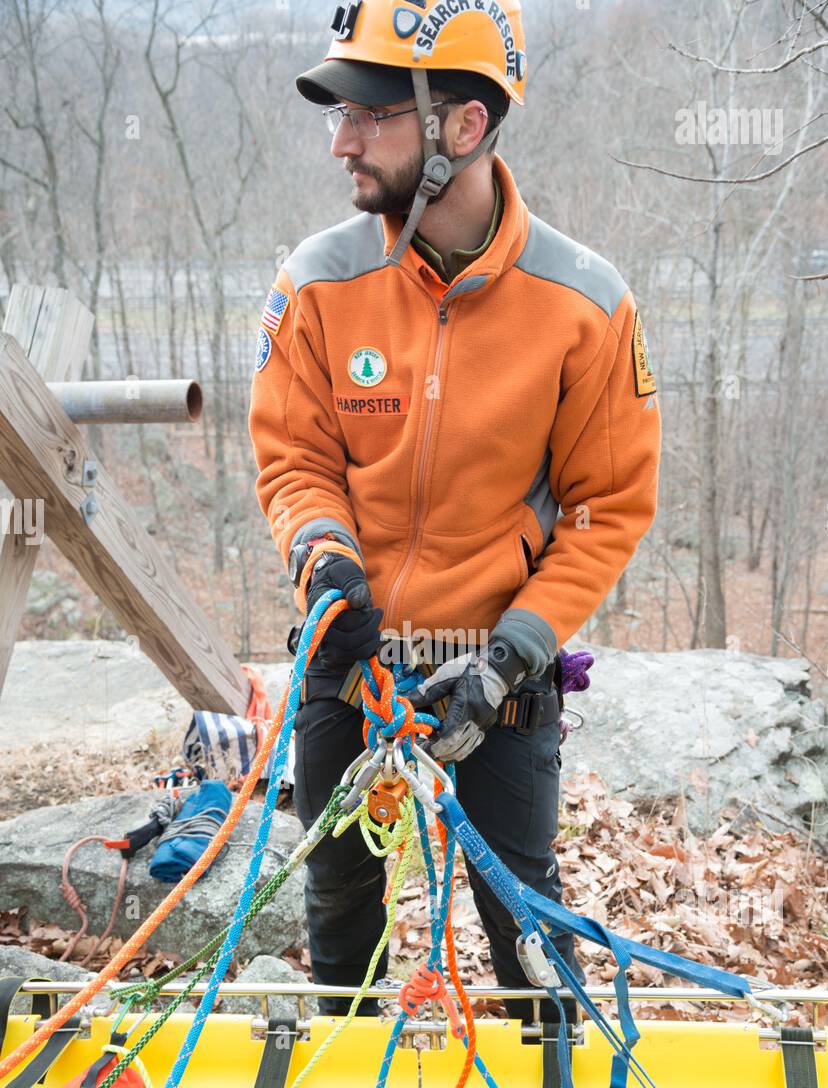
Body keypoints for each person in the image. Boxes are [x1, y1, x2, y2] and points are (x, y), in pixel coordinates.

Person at [249, 0, 660, 1024]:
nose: (341, 138)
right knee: (341, 911)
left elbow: (608, 509)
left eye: (371, 112)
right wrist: (327, 564)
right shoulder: (318, 284)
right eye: (340, 111)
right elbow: (295, 458)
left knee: (526, 929)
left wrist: (514, 653)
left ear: (463, 129)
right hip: (354, 661)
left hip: (497, 677)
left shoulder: (584, 305)